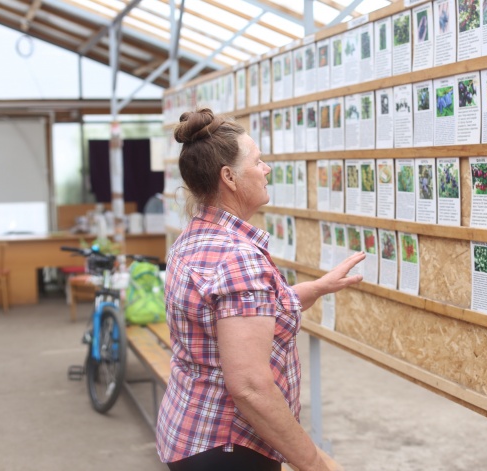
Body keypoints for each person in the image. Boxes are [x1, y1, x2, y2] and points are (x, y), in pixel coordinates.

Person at [156, 108, 365, 471]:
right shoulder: (238, 257)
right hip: (230, 447)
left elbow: (235, 317)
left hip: (190, 433)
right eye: (257, 161)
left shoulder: (193, 239)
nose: (266, 169)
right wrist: (314, 462)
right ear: (229, 177)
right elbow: (251, 386)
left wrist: (315, 288)